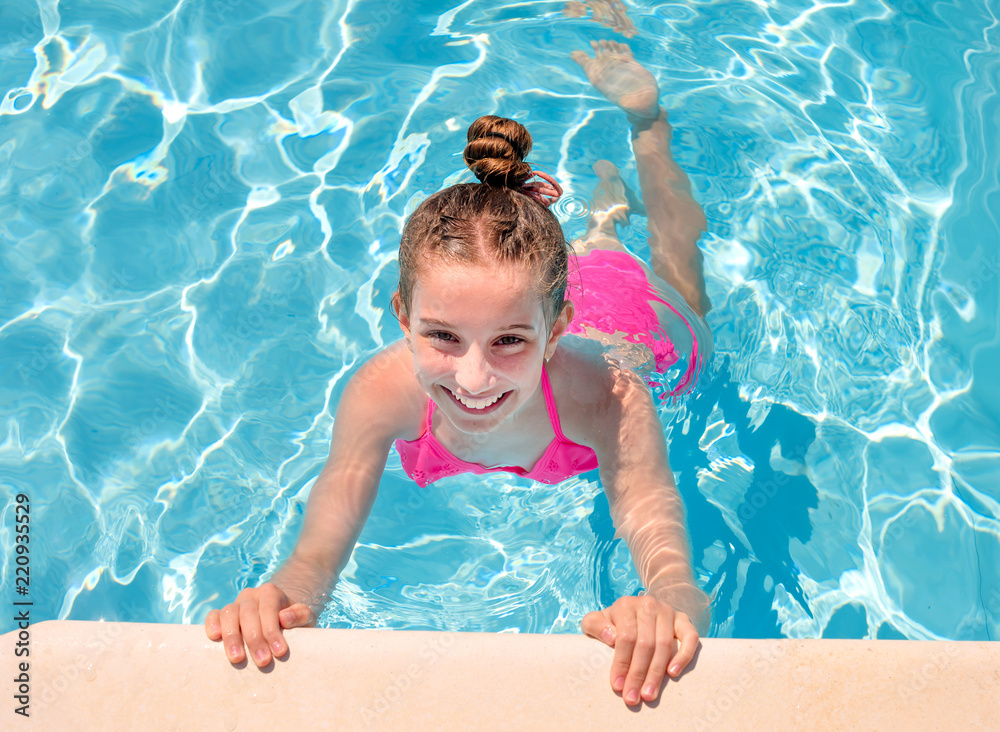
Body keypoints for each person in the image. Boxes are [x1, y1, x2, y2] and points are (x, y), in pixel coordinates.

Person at [205, 40, 713, 708]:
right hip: (538, 295)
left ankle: (645, 128)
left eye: (508, 342)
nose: (473, 380)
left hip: (632, 325)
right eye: (442, 336)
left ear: (556, 330)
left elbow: (667, 552)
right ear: (402, 316)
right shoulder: (380, 394)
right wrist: (280, 600)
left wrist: (664, 607)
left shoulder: (610, 399)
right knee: (574, 257)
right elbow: (313, 560)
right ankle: (599, 224)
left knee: (680, 270)